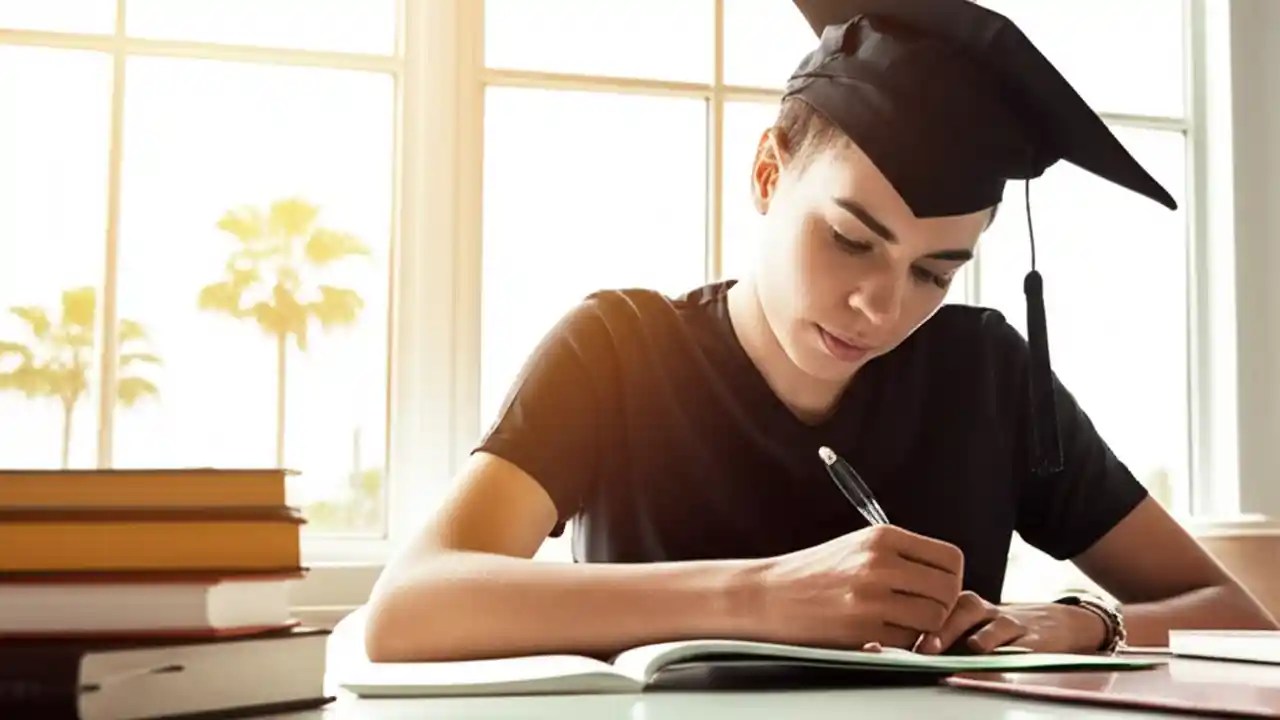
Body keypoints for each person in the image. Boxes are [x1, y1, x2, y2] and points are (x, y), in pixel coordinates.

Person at [364, 0, 1278, 662]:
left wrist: (1081, 622)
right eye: (849, 240)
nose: (881, 307)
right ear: (768, 174)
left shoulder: (985, 375)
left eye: (935, 270)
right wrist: (763, 596)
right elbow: (410, 607)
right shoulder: (619, 351)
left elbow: (1232, 615)